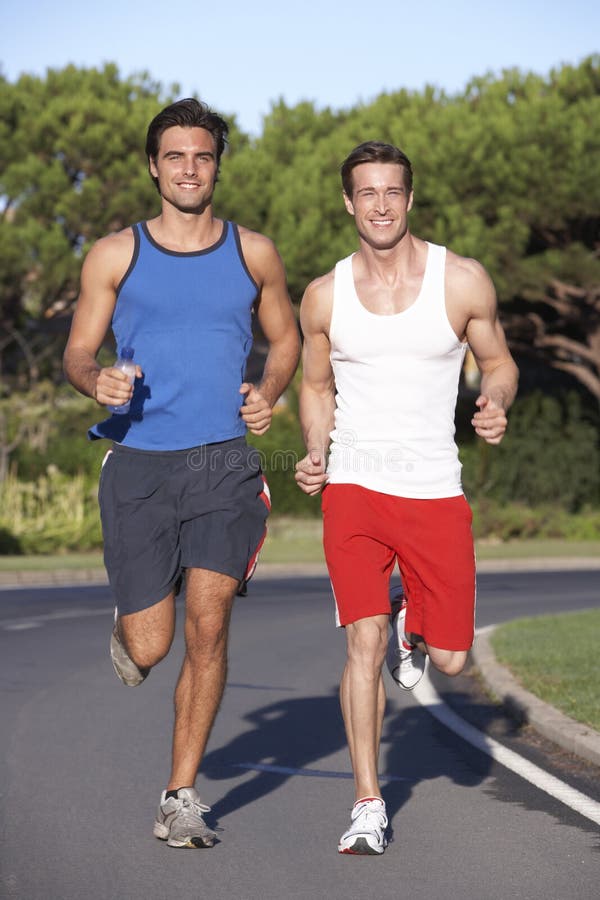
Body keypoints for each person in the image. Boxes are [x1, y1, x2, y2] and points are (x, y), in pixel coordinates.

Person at [63, 98, 300, 849]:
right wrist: (93, 380)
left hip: (224, 462)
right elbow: (76, 352)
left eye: (202, 155)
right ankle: (130, 629)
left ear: (217, 164)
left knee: (209, 624)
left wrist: (268, 392)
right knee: (151, 646)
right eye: (175, 155)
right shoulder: (114, 255)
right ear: (154, 165)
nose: (189, 168)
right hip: (137, 465)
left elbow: (286, 337)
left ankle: (180, 796)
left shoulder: (253, 253)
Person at [295, 141, 518, 855]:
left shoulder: (461, 281)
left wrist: (496, 401)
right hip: (356, 487)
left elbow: (500, 363)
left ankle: (410, 619)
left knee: (451, 660)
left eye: (393, 191)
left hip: (432, 490)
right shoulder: (324, 296)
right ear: (348, 202)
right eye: (367, 193)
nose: (381, 205)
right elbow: (316, 385)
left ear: (410, 199)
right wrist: (315, 449)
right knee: (359, 645)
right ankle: (367, 801)